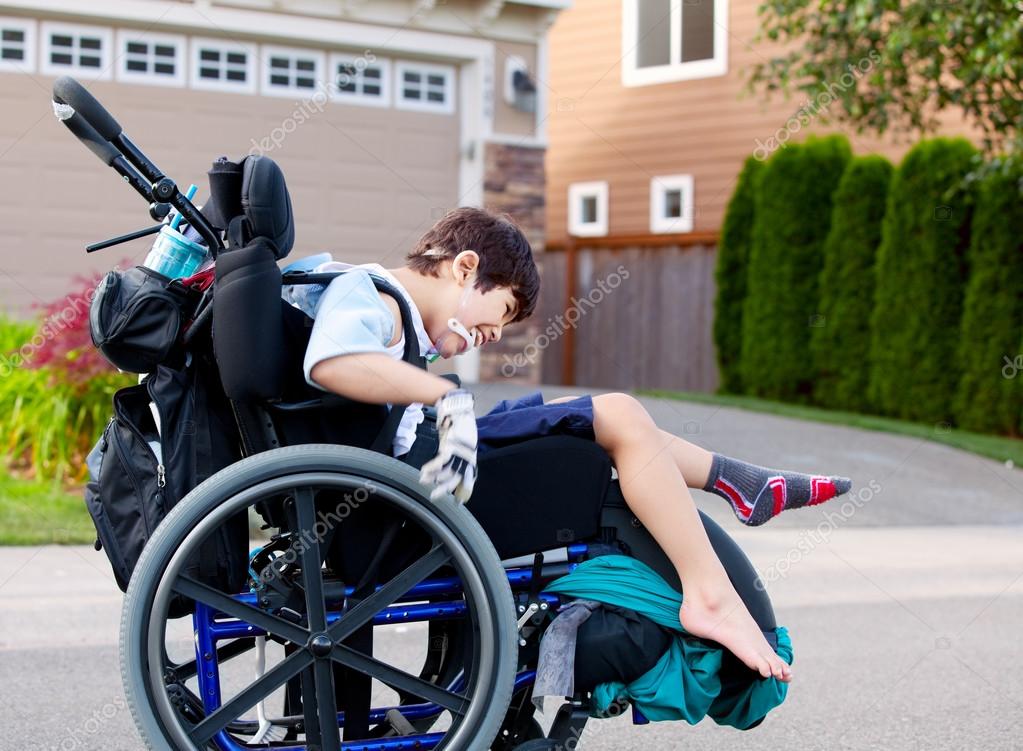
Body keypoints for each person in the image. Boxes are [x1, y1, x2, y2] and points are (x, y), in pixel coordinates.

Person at [288, 207, 852, 683]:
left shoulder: (392, 311)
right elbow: (331, 361)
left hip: (405, 488)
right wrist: (446, 398)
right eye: (503, 311)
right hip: (400, 511)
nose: (495, 334)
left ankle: (741, 482)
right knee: (618, 415)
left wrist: (440, 385)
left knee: (567, 413)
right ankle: (711, 584)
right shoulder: (373, 297)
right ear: (465, 269)